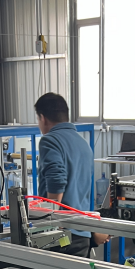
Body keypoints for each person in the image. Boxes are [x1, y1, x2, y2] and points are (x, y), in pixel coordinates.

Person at [35, 92, 110, 257]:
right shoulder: (83, 144)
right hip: (82, 234)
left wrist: (53, 220)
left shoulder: (50, 140)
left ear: (43, 118)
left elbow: (56, 180)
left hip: (61, 235)